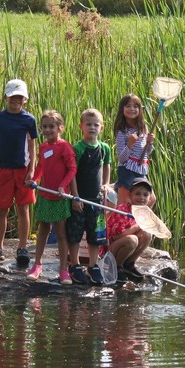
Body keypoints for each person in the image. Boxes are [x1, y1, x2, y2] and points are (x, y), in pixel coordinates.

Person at [0, 79, 38, 268]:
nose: (16, 101)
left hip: (22, 170)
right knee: (2, 209)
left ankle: (22, 247)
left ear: (25, 100)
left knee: (23, 208)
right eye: (12, 97)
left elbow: (32, 145)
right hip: (4, 169)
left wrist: (32, 168)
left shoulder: (29, 120)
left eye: (19, 98)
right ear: (6, 97)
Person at [25, 110, 77, 285]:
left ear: (60, 128)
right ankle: (37, 264)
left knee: (61, 233)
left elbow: (72, 169)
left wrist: (63, 185)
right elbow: (40, 166)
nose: (47, 130)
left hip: (60, 197)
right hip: (45, 194)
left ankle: (63, 269)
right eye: (44, 127)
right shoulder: (44, 147)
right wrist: (34, 179)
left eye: (51, 127)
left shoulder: (65, 147)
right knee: (43, 230)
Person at [66, 108, 112, 285]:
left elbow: (107, 166)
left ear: (101, 127)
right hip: (80, 200)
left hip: (97, 200)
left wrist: (106, 184)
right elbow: (73, 174)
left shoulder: (104, 148)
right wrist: (75, 197)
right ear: (81, 127)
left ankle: (93, 266)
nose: (92, 127)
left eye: (96, 125)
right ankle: (75, 265)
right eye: (88, 124)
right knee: (75, 233)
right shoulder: (77, 148)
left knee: (97, 234)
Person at [106, 177, 154, 283]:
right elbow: (115, 237)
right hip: (110, 249)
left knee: (147, 234)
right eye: (137, 194)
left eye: (145, 195)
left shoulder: (143, 212)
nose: (141, 197)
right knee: (132, 240)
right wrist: (136, 227)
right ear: (129, 195)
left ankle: (129, 264)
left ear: (150, 198)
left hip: (124, 245)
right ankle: (116, 267)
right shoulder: (122, 210)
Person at [113, 93, 155, 206]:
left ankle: (140, 221)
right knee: (124, 203)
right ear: (122, 109)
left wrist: (150, 143)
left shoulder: (143, 127)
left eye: (135, 106)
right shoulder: (122, 130)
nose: (132, 109)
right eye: (128, 106)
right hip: (127, 170)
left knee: (151, 199)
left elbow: (146, 152)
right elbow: (121, 158)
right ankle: (120, 222)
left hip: (140, 169)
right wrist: (130, 145)